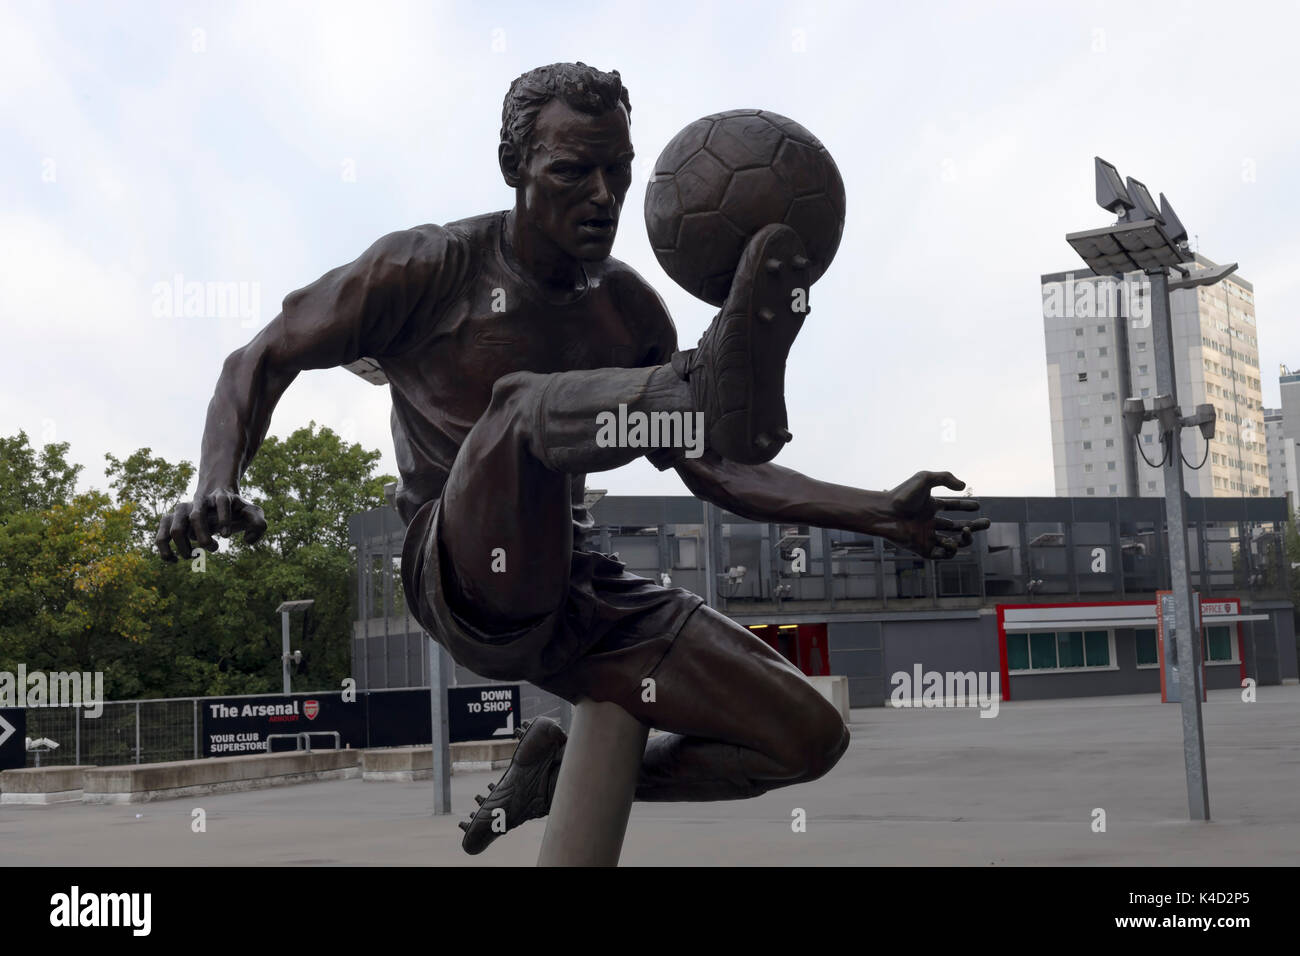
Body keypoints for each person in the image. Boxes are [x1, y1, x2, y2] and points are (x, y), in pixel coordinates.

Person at [156, 61, 989, 854]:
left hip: (577, 588)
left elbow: (720, 471)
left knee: (805, 736)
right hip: (461, 574)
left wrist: (879, 513)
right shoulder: (428, 267)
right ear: (514, 166)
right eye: (571, 173)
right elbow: (258, 358)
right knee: (523, 407)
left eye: (618, 173)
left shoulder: (627, 311)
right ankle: (696, 388)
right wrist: (217, 480)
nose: (602, 198)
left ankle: (553, 780)